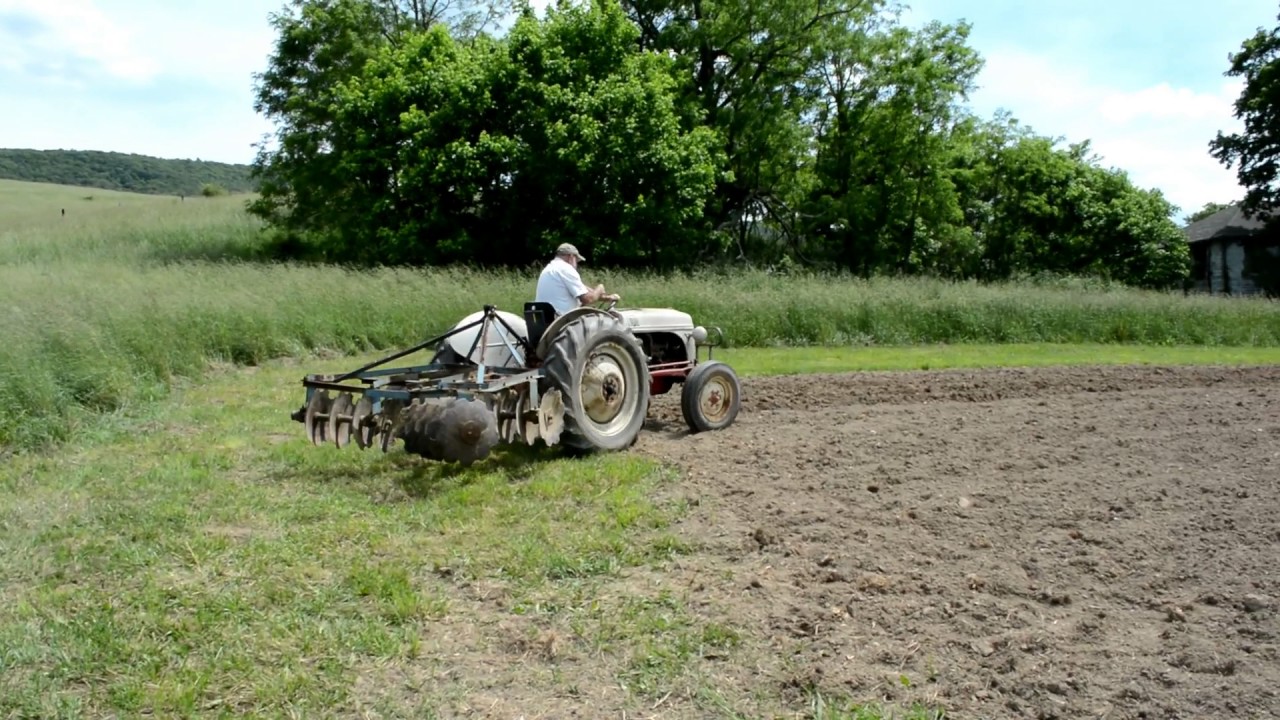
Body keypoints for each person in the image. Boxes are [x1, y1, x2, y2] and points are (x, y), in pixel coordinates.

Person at [534, 242, 619, 316]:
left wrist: (608, 298)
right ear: (571, 257)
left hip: (546, 319)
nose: (576, 265)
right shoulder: (566, 268)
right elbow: (587, 299)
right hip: (563, 319)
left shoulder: (550, 269)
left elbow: (584, 290)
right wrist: (600, 288)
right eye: (577, 261)